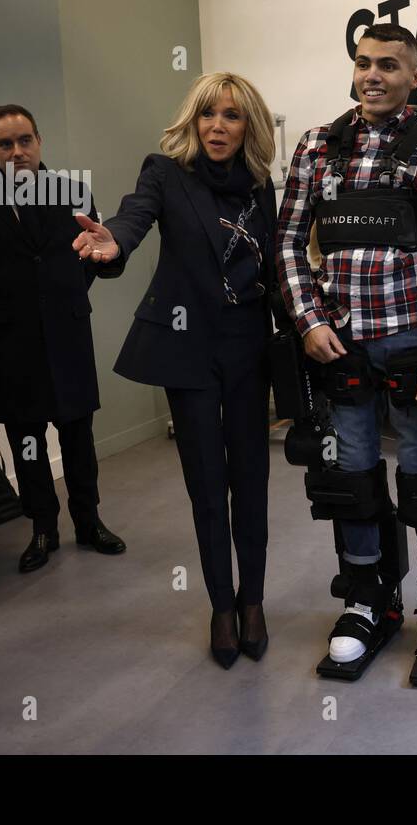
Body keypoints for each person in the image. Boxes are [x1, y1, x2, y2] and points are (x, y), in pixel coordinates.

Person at [275, 23, 417, 675]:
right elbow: (286, 245)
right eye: (363, 63)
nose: (373, 75)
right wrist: (307, 320)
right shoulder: (316, 149)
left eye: (390, 65)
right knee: (351, 478)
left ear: (415, 75)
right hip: (339, 347)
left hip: (414, 343)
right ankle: (369, 596)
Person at [71, 73, 276, 669]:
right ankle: (220, 604)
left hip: (247, 346)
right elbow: (134, 217)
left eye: (232, 116)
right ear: (193, 119)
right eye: (208, 114)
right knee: (206, 482)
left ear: (248, 127)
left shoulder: (263, 187)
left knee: (252, 479)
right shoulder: (165, 173)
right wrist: (113, 242)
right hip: (186, 346)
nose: (218, 126)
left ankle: (254, 600)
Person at [0, 104, 126, 573]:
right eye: (5, 144)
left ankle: (88, 522)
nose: (17, 151)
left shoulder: (73, 192)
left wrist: (65, 298)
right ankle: (43, 528)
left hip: (67, 335)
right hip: (11, 345)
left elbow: (93, 257)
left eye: (24, 140)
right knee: (26, 442)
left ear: (39, 140)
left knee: (77, 437)